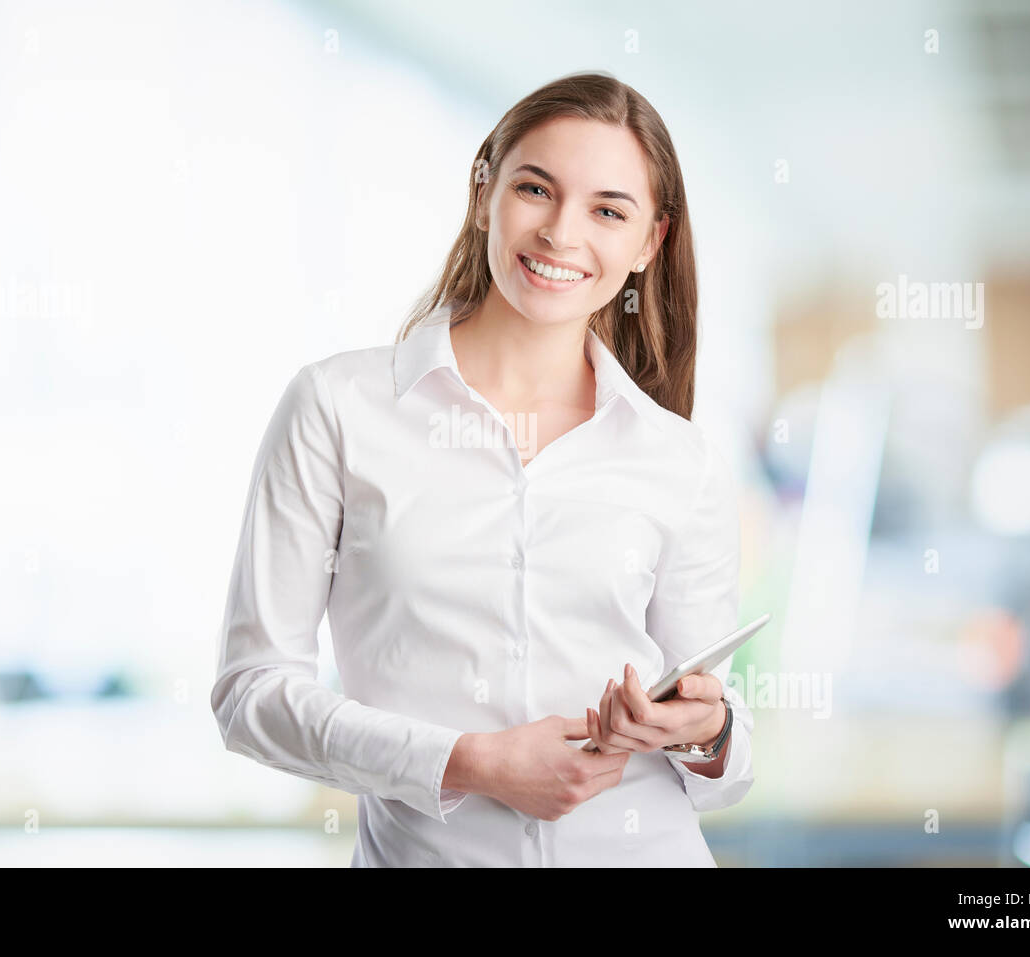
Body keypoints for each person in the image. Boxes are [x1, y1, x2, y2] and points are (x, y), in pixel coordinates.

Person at [211, 71, 753, 867]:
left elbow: (720, 773)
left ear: (649, 244)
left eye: (608, 210)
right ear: (483, 191)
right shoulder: (338, 407)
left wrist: (708, 730)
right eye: (537, 189)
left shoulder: (678, 457)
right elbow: (250, 693)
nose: (563, 234)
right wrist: (466, 761)